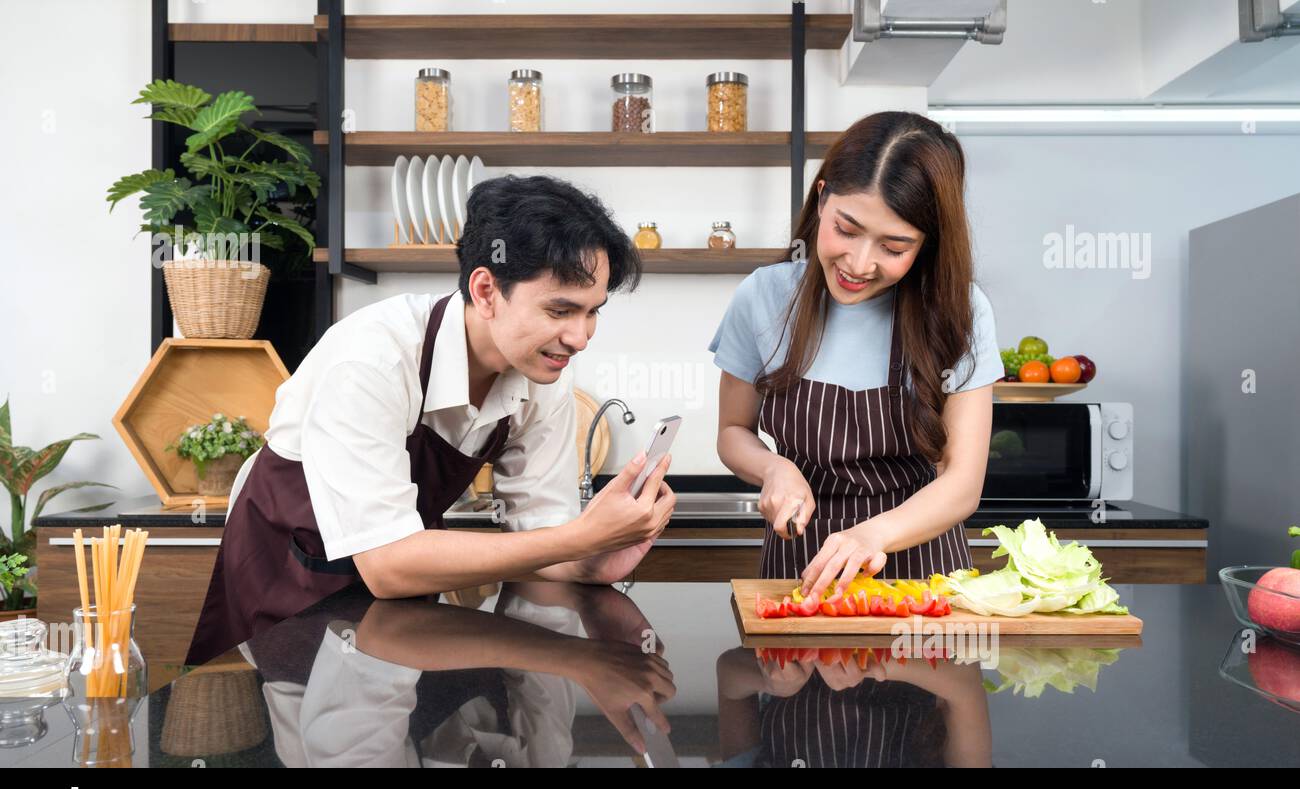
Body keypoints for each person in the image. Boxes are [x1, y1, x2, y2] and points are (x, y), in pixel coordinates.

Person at [186, 175, 676, 665]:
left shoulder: (543, 373)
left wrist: (591, 562)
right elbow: (389, 564)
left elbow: (541, 528)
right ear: (486, 290)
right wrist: (579, 537)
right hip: (286, 595)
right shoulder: (371, 359)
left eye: (593, 313)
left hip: (396, 610)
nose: (580, 337)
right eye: (560, 310)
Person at [710, 112, 1001, 600]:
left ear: (927, 246)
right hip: (800, 564)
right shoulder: (763, 296)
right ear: (822, 198)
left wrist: (871, 535)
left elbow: (963, 481)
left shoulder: (960, 310)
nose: (859, 264)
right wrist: (774, 468)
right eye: (846, 230)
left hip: (922, 570)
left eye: (893, 246)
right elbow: (732, 431)